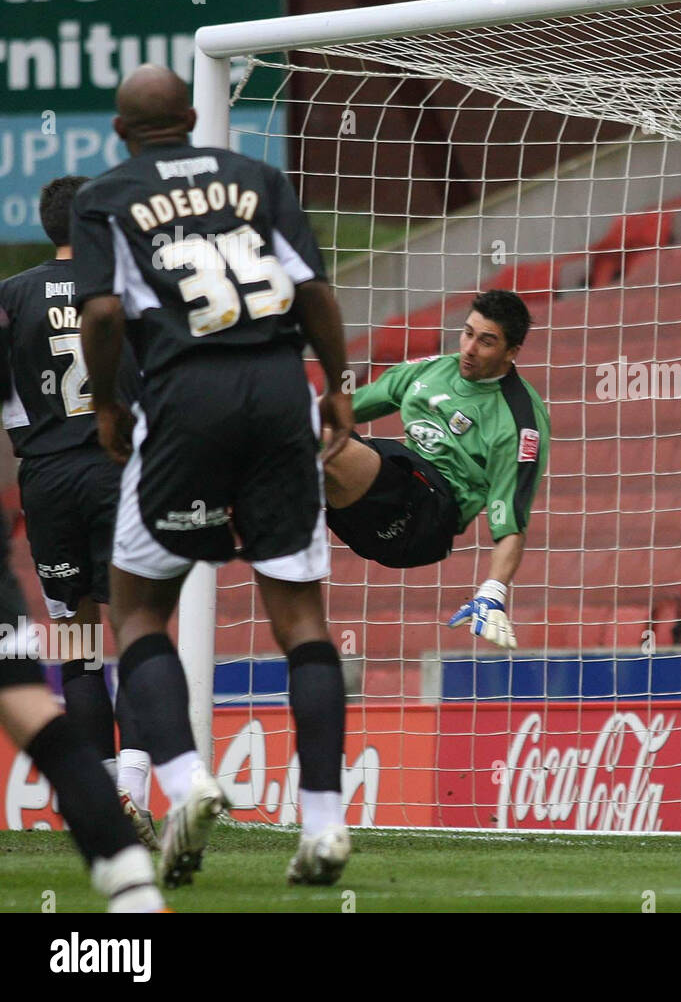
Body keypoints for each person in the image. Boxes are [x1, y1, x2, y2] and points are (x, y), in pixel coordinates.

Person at [73, 64, 356, 889]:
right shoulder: (259, 177)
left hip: (185, 394)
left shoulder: (105, 194)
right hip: (279, 391)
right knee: (302, 619)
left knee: (135, 609)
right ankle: (326, 825)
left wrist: (104, 407)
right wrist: (334, 385)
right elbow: (314, 293)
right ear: (192, 118)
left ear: (122, 132)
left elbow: (98, 313)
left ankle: (185, 779)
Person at [0, 175, 157, 851]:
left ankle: (103, 810)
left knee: (80, 649)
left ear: (45, 226)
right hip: (118, 472)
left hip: (50, 483)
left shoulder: (12, 298)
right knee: (142, 634)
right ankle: (138, 800)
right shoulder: (123, 292)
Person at [324, 289, 549, 651]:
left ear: (511, 353)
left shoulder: (519, 421)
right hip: (384, 502)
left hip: (428, 516)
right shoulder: (432, 371)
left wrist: (493, 591)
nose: (470, 348)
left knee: (316, 444)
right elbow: (344, 410)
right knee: (305, 433)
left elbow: (511, 522)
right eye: (467, 332)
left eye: (486, 341)